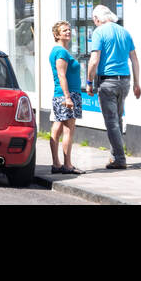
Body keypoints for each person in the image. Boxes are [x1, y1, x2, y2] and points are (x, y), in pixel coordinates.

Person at [85, 4, 141, 169]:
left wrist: (89, 82)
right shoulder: (124, 32)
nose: (94, 23)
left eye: (94, 20)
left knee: (111, 122)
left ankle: (120, 158)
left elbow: (94, 60)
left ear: (97, 19)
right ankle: (114, 155)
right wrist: (137, 83)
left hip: (108, 82)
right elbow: (135, 60)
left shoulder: (99, 33)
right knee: (117, 118)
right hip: (125, 81)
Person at [48, 21, 84, 174]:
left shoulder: (60, 51)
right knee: (68, 130)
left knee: (57, 128)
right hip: (67, 95)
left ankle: (56, 164)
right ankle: (67, 165)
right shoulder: (61, 52)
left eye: (69, 30)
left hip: (61, 94)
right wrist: (68, 97)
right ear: (57, 35)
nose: (68, 32)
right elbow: (61, 75)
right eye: (64, 30)